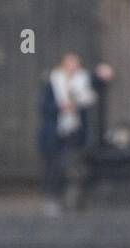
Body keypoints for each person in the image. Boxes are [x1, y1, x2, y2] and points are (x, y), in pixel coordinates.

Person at [38, 54, 113, 215]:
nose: (74, 68)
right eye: (71, 65)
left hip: (74, 132)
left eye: (76, 65)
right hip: (55, 132)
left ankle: (72, 200)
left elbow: (95, 83)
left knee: (73, 166)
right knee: (54, 168)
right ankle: (53, 200)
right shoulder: (53, 82)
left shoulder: (82, 80)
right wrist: (61, 107)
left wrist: (102, 75)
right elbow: (44, 107)